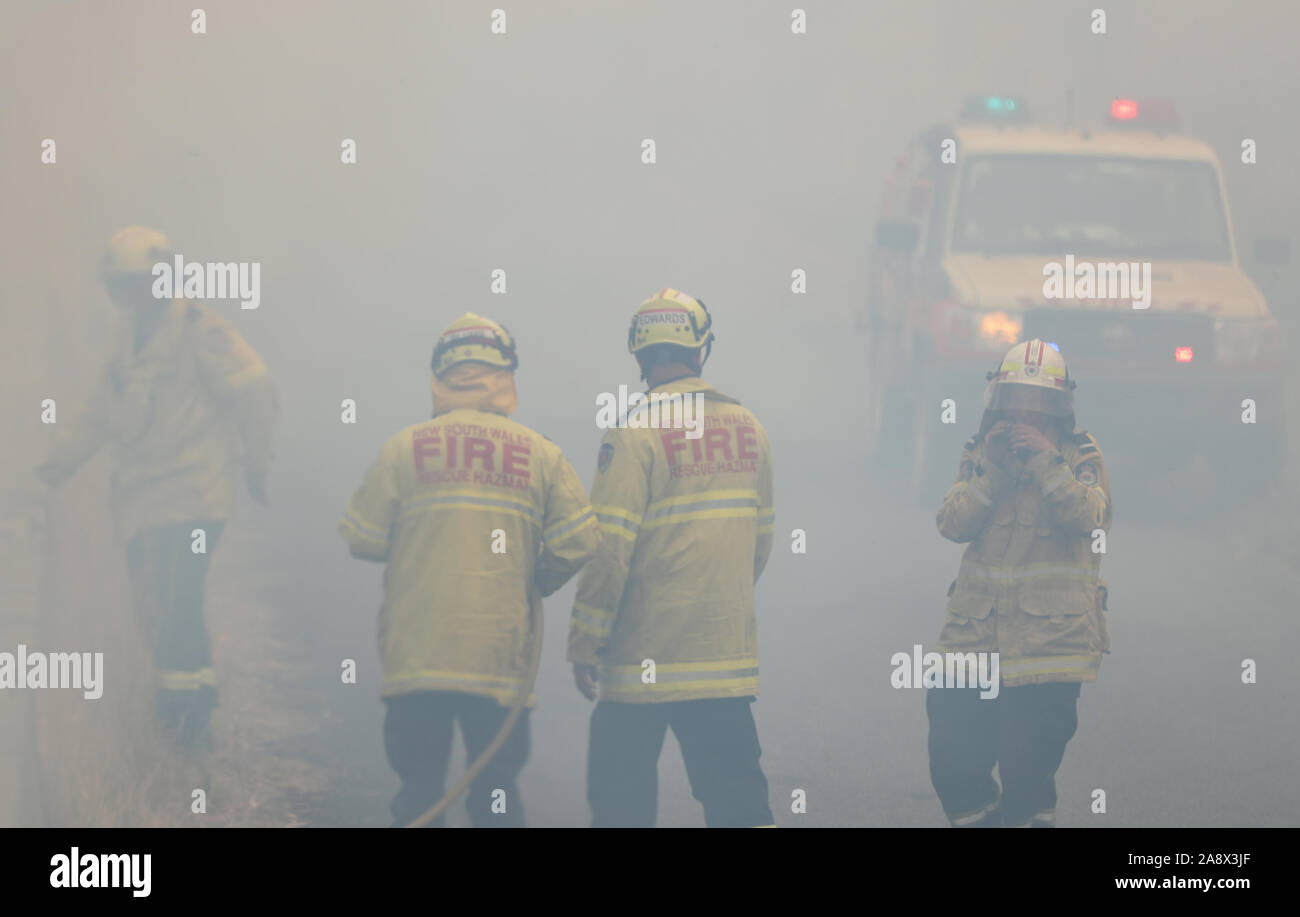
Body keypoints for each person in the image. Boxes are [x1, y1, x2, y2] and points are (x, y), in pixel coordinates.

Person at [340, 313, 599, 827]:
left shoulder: (403, 448)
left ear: (440, 375)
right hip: (497, 662)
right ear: (505, 377)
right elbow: (581, 540)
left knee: (420, 790)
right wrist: (536, 581)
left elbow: (362, 539)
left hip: (418, 658)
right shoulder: (540, 453)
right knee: (495, 789)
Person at [35, 226, 278, 748]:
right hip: (141, 501)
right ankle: (184, 706)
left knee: (177, 601)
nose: (130, 297)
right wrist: (55, 467)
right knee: (152, 608)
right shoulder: (124, 339)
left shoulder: (198, 330)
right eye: (121, 287)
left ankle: (188, 723)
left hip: (194, 495)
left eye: (140, 284)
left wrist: (257, 465)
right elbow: (98, 414)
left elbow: (255, 387)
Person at [569, 288, 777, 828]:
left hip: (641, 661)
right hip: (721, 663)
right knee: (741, 809)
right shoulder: (750, 428)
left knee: (620, 807)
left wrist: (587, 637)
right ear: (702, 349)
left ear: (639, 358)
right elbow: (760, 543)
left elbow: (608, 547)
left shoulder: (633, 432)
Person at [929, 339, 1112, 827]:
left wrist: (1047, 462)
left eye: (1037, 406)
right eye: (1014, 404)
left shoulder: (1079, 454)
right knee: (951, 759)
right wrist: (993, 473)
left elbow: (1092, 519)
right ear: (998, 403)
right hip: (972, 640)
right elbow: (951, 523)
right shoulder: (980, 453)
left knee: (1027, 781)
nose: (1023, 416)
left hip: (1050, 647)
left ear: (1058, 409)